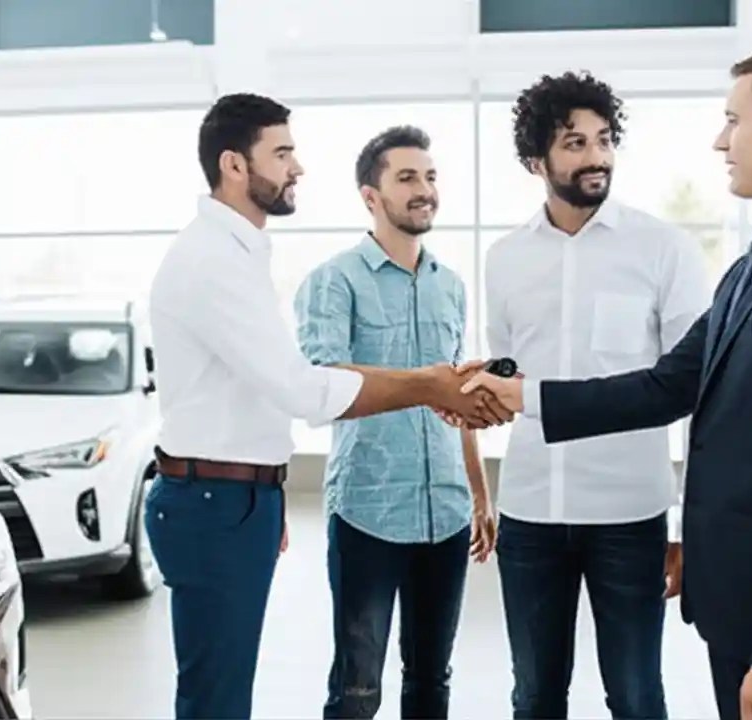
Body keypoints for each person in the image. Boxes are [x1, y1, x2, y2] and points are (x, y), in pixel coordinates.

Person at [456, 44, 752, 720]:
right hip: (739, 607)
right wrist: (515, 394)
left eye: (734, 120)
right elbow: (669, 385)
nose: (719, 140)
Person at [145, 93, 512, 720]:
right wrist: (427, 384)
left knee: (230, 693)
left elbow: (256, 394)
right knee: (241, 698)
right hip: (263, 503)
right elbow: (305, 388)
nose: (298, 167)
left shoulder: (239, 255)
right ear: (235, 165)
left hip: (252, 497)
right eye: (283, 153)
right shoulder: (222, 263)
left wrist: (268, 493)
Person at [481, 72, 712, 720]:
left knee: (637, 696)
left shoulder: (665, 249)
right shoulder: (503, 258)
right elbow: (506, 378)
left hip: (629, 515)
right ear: (537, 161)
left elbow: (697, 394)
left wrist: (690, 522)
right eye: (575, 143)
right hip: (529, 512)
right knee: (534, 696)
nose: (596, 156)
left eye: (605, 139)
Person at [293, 125, 497, 720]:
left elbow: (457, 397)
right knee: (358, 688)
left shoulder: (451, 288)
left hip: (448, 514)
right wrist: (423, 385)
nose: (424, 190)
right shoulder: (334, 282)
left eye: (430, 177)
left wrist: (480, 493)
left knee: (432, 680)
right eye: (406, 177)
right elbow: (323, 385)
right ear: (370, 196)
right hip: (368, 512)